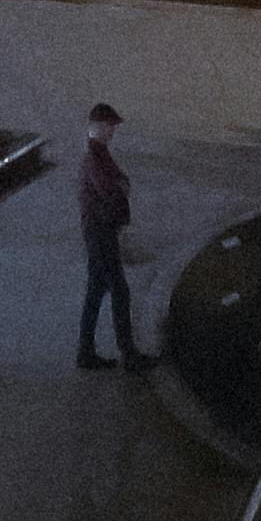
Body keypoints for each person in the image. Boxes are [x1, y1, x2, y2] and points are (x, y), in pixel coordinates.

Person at [73, 103, 149, 372]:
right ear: (98, 126)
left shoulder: (99, 154)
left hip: (99, 231)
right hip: (100, 232)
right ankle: (128, 355)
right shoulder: (95, 157)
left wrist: (121, 185)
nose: (113, 131)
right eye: (110, 126)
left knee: (96, 290)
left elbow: (121, 181)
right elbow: (112, 190)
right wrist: (121, 187)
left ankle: (85, 352)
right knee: (119, 291)